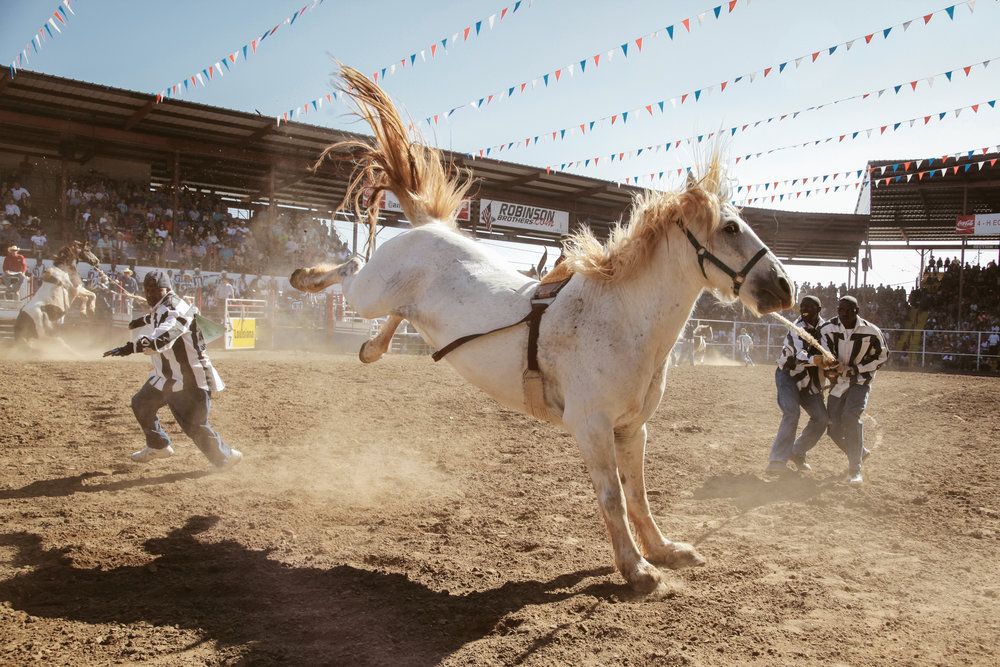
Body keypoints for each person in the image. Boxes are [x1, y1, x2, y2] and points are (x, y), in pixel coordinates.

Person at [102, 270, 242, 469]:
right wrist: (141, 321)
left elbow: (163, 338)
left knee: (194, 425)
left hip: (189, 379)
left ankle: (225, 457)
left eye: (155, 290)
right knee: (141, 403)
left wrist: (130, 347)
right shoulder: (164, 305)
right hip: (168, 376)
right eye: (148, 290)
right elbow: (156, 318)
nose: (150, 295)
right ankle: (158, 445)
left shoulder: (175, 310)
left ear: (166, 289)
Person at [820, 295, 889, 485]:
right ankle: (860, 452)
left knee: (851, 417)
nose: (841, 314)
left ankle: (854, 470)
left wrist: (855, 369)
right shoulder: (827, 328)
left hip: (860, 382)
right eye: (839, 310)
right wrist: (831, 367)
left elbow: (882, 356)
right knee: (832, 428)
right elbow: (822, 351)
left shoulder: (871, 331)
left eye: (846, 311)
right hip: (838, 384)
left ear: (856, 311)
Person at [766, 296, 834, 474]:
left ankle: (797, 452)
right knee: (791, 412)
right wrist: (817, 360)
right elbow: (798, 355)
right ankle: (777, 461)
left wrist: (831, 367)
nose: (804, 310)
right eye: (802, 307)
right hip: (788, 375)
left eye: (809, 307)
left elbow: (831, 351)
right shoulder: (796, 328)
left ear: (819, 310)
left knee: (822, 418)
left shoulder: (826, 329)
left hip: (811, 381)